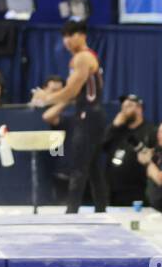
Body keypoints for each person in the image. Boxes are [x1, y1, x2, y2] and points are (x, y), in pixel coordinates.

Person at [30, 19, 108, 214]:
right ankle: (101, 210)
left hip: (88, 116)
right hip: (93, 114)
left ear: (82, 36)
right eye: (64, 36)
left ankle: (71, 212)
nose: (66, 40)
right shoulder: (87, 57)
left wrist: (44, 99)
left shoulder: (82, 58)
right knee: (94, 168)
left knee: (79, 166)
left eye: (70, 35)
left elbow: (71, 91)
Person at [103, 94, 155, 207]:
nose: (124, 111)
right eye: (123, 107)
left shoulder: (150, 131)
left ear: (139, 109)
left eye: (129, 106)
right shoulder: (118, 130)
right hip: (113, 192)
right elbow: (102, 146)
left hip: (138, 192)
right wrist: (114, 126)